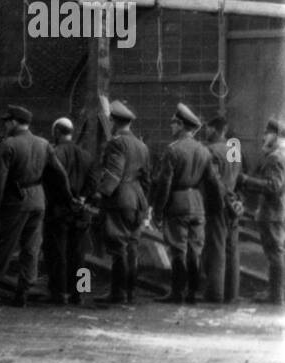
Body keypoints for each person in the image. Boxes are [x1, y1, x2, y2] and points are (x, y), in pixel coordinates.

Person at [0, 105, 67, 306]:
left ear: (14, 122)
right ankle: (23, 292)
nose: (5, 125)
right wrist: (66, 199)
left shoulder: (9, 144)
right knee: (31, 248)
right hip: (38, 200)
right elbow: (60, 175)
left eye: (7, 121)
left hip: (14, 202)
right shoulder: (44, 143)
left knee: (2, 246)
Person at [151, 103, 220, 303]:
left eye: (173, 123)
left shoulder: (173, 150)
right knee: (195, 251)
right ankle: (191, 293)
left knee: (178, 250)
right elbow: (213, 183)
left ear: (181, 125)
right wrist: (215, 208)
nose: (171, 126)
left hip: (177, 204)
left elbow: (165, 184)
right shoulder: (204, 151)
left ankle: (176, 292)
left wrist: (157, 211)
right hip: (198, 206)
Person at [93, 100, 150, 306]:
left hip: (120, 199)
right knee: (132, 248)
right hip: (138, 200)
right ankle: (130, 294)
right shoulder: (142, 146)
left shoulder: (116, 143)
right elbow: (146, 179)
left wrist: (99, 194)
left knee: (118, 248)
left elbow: (114, 174)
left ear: (114, 121)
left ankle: (117, 294)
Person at [234, 118, 284, 306]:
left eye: (267, 133)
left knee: (275, 254)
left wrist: (246, 180)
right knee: (276, 253)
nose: (264, 137)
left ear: (276, 136)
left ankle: (276, 295)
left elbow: (274, 186)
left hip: (273, 213)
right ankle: (274, 292)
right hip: (278, 212)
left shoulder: (275, 157)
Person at [44, 118, 94, 305]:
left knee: (58, 252)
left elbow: (51, 182)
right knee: (80, 252)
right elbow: (93, 182)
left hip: (59, 209)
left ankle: (59, 293)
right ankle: (81, 292)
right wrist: (82, 198)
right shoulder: (87, 155)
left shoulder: (55, 153)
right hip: (81, 210)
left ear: (56, 132)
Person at [201, 116, 241, 303]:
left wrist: (224, 200)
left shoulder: (210, 151)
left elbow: (215, 181)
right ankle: (231, 294)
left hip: (217, 205)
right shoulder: (234, 150)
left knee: (216, 249)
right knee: (232, 250)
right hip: (234, 206)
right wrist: (235, 201)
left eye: (208, 128)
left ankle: (215, 294)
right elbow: (237, 177)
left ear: (215, 129)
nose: (206, 131)